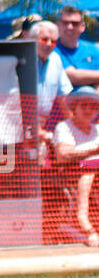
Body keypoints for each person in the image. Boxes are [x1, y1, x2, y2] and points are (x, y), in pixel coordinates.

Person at [52, 86, 99, 246]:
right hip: (72, 175)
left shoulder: (98, 129)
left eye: (92, 106)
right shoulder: (64, 127)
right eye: (83, 105)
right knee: (89, 173)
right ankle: (84, 221)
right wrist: (94, 151)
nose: (88, 110)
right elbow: (63, 156)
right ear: (74, 107)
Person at [54, 7, 99, 89]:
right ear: (58, 25)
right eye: (65, 23)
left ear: (82, 26)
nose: (69, 27)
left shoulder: (93, 49)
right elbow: (72, 76)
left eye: (74, 23)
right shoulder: (52, 48)